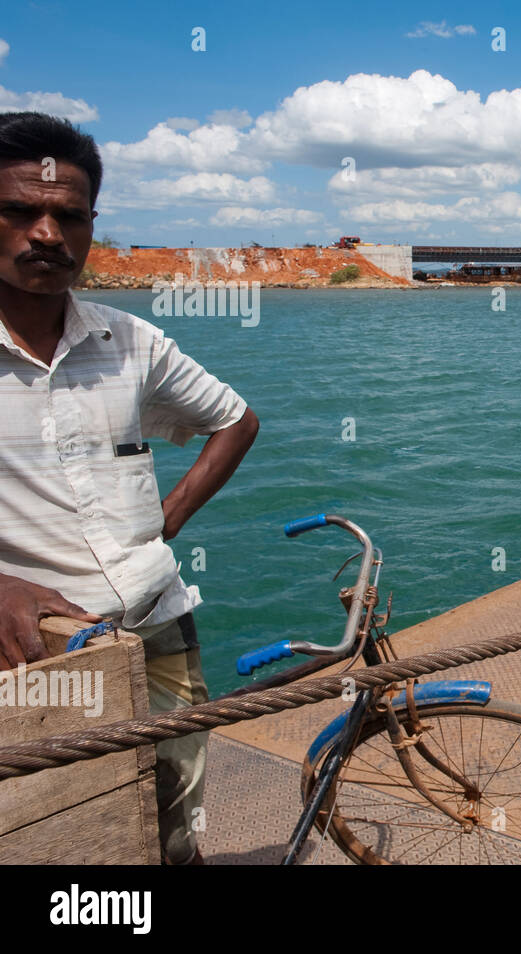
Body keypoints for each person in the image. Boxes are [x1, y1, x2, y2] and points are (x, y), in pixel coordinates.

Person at [0, 111, 259, 864]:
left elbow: (236, 421)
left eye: (69, 216)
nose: (47, 233)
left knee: (177, 809)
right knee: (52, 829)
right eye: (20, 210)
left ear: (91, 227)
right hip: (40, 648)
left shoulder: (129, 342)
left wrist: (162, 527)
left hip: (156, 618)